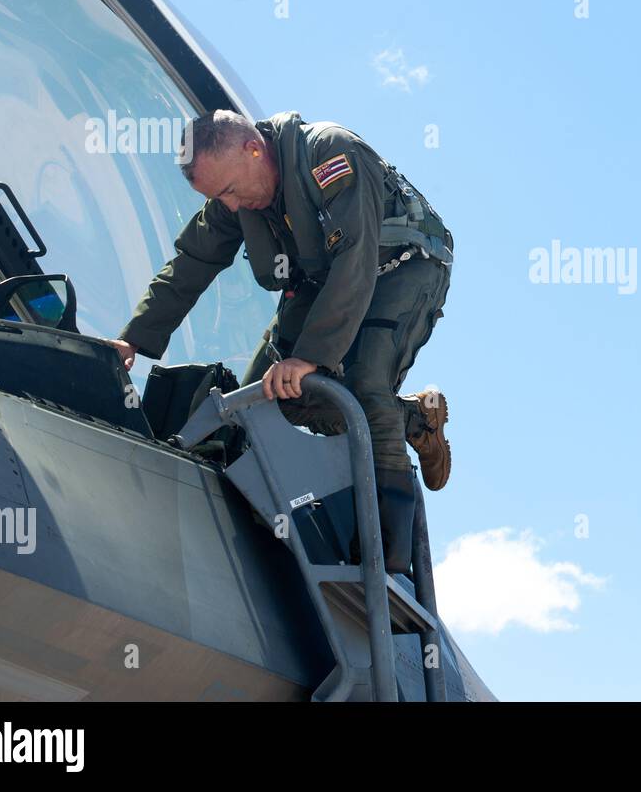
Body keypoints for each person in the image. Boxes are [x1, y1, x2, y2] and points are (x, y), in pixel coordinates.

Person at [107, 109, 453, 572]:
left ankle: (387, 561)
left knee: (367, 386)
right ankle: (412, 420)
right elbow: (190, 266)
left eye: (228, 191)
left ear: (254, 148)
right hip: (323, 280)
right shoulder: (236, 197)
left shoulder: (330, 152)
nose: (228, 206)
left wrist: (310, 357)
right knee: (255, 405)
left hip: (401, 265)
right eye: (218, 197)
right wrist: (133, 339)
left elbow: (355, 255)